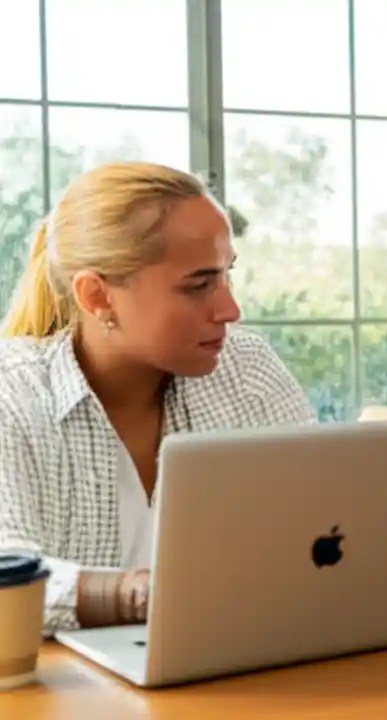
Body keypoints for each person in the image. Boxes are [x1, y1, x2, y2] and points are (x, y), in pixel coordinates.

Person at [0, 162, 316, 634]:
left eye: (226, 276)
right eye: (199, 285)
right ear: (96, 296)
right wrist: (138, 595)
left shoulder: (246, 369)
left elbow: (323, 522)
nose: (230, 310)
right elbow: (8, 577)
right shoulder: (13, 394)